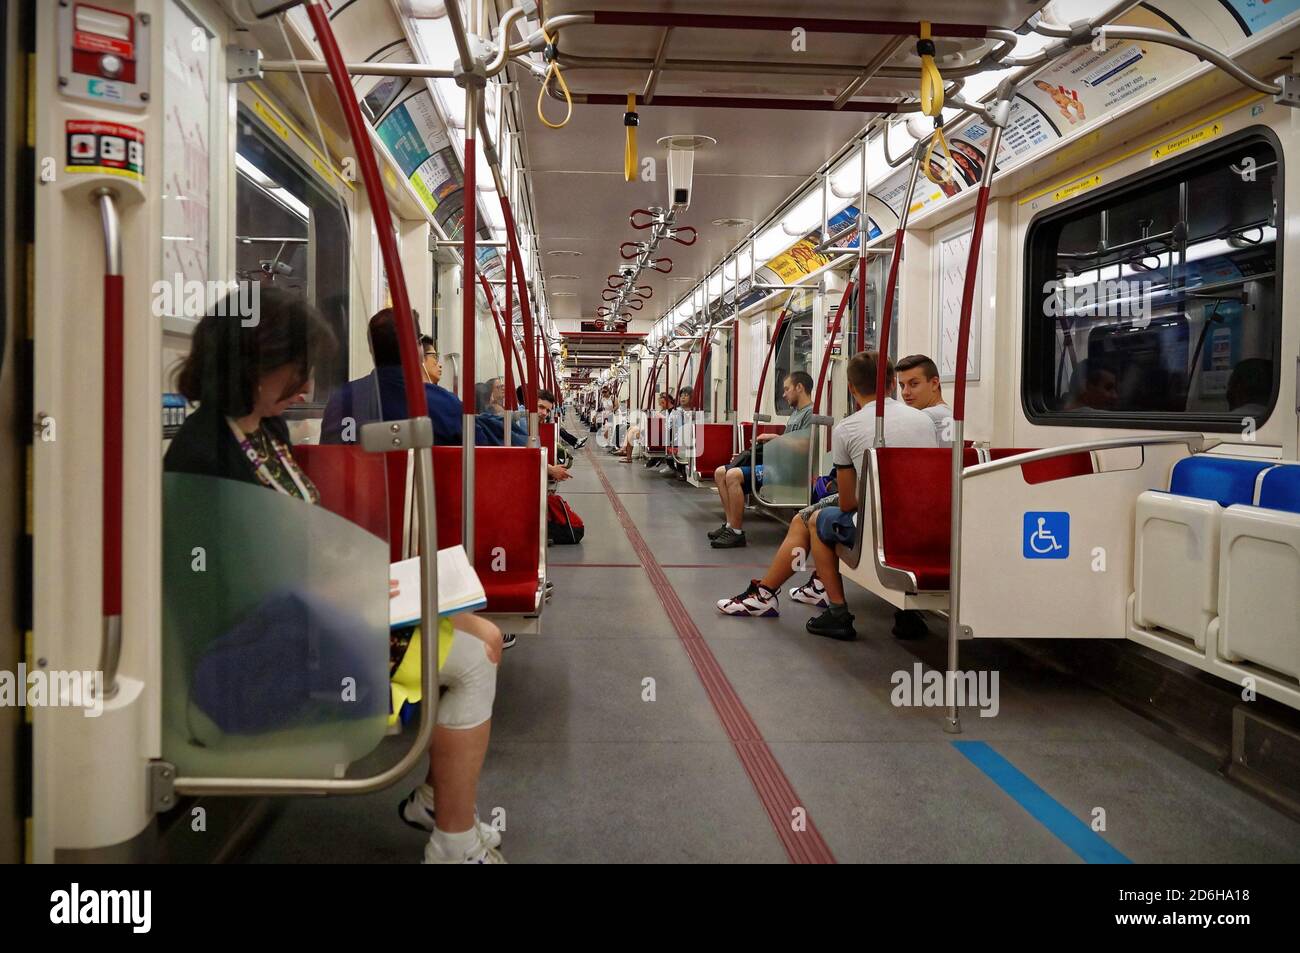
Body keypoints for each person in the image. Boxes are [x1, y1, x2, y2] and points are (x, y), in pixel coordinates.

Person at [167, 289, 505, 863]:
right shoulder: (204, 456)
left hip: (300, 621)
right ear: (251, 367)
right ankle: (453, 839)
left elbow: (288, 550)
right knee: (478, 657)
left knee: (482, 633)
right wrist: (358, 594)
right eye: (294, 375)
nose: (304, 390)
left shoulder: (260, 434)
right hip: (259, 655)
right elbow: (237, 586)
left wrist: (363, 585)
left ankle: (439, 801)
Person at [716, 351, 936, 641]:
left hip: (877, 522)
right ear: (892, 385)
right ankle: (785, 590)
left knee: (812, 520)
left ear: (851, 389)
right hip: (923, 522)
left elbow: (847, 502)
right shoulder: (924, 422)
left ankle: (831, 608)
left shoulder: (848, 429)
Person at [320, 309, 463, 446]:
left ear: (371, 349)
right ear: (417, 347)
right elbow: (476, 456)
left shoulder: (340, 402)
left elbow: (328, 462)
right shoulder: (445, 405)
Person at [709, 371, 815, 549]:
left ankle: (736, 532)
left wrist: (776, 439)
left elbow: (805, 446)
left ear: (800, 387)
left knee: (733, 475)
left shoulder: (810, 413)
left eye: (787, 389)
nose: (784, 394)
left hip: (791, 471)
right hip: (780, 464)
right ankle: (729, 525)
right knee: (720, 472)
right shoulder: (796, 413)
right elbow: (790, 442)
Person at [896, 354, 953, 446]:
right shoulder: (947, 414)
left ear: (934, 383)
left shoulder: (926, 416)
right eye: (902, 386)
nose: (905, 392)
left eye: (914, 384)